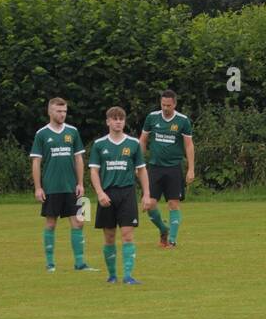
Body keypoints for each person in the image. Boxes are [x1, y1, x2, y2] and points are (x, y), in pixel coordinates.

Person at [89, 106, 153, 285]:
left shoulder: (133, 144)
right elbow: (94, 171)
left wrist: (146, 194)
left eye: (121, 118)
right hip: (107, 194)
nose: (118, 121)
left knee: (127, 235)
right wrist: (100, 193)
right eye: (114, 118)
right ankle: (111, 276)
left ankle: (127, 276)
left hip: (127, 193)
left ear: (124, 122)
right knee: (109, 236)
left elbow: (141, 170)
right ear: (108, 121)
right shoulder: (99, 144)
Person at [29, 97, 95, 272]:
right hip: (51, 187)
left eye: (64, 111)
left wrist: (81, 183)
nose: (62, 114)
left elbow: (79, 158)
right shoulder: (41, 134)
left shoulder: (72, 132)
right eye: (59, 111)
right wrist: (38, 187)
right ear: (50, 112)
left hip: (72, 187)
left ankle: (80, 263)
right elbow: (36, 161)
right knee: (51, 224)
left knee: (80, 222)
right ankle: (50, 264)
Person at [139, 89, 194, 248]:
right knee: (149, 204)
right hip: (155, 168)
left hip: (173, 168)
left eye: (168, 105)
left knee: (173, 204)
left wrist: (191, 169)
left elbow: (189, 145)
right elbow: (142, 141)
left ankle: (172, 240)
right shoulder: (152, 118)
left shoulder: (182, 121)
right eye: (163, 105)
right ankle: (163, 229)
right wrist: (139, 163)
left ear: (174, 104)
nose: (165, 108)